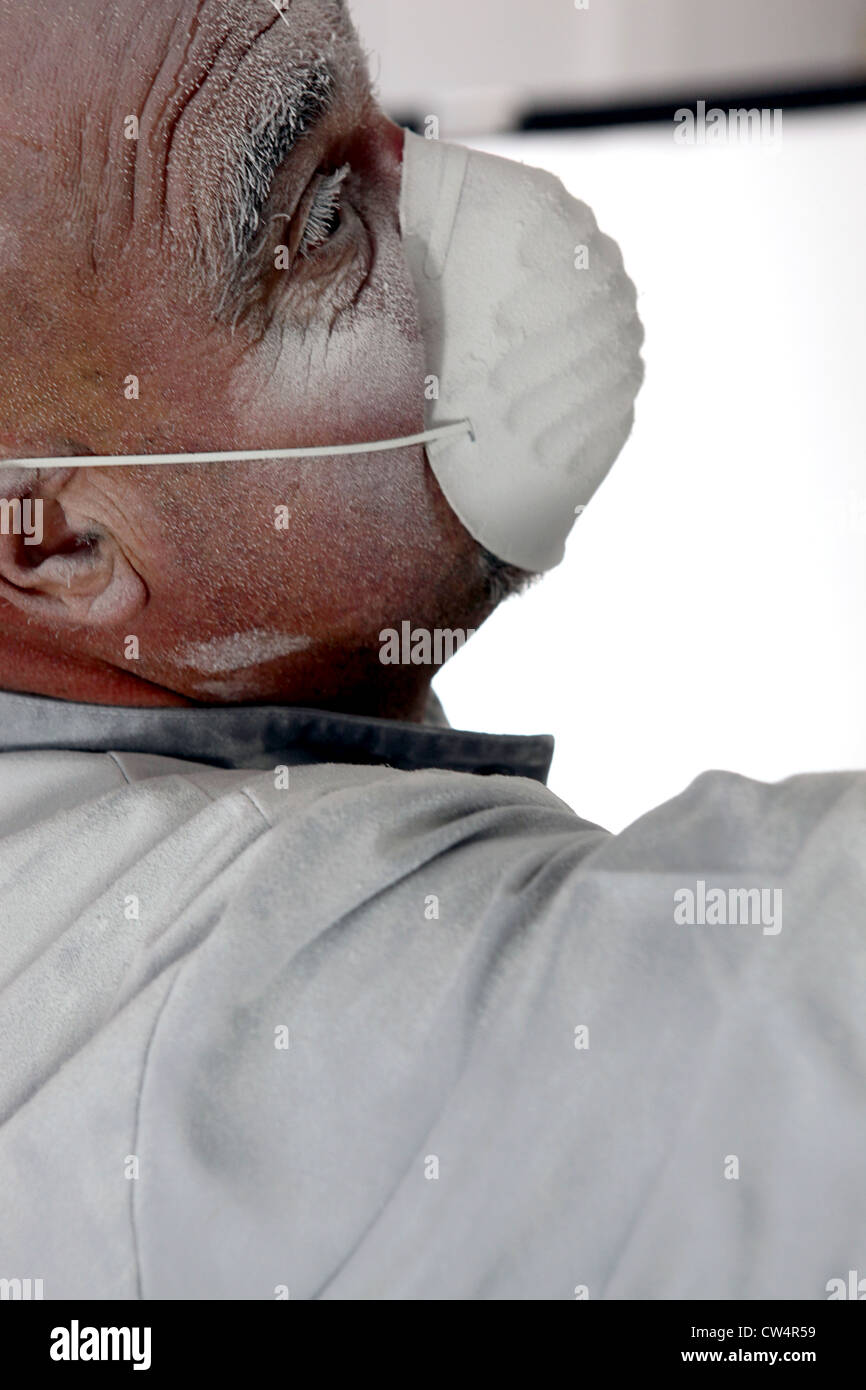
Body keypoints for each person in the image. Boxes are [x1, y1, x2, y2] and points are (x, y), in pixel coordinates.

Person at [0, 0, 864, 1301]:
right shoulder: (227, 1042)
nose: (484, 199)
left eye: (388, 115)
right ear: (57, 547)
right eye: (320, 217)